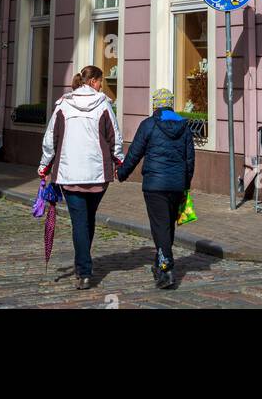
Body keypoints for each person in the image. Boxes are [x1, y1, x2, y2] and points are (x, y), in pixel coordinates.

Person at [38, 65, 123, 290]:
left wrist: (44, 165)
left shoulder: (63, 105)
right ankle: (83, 265)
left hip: (69, 173)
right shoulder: (103, 104)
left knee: (80, 222)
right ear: (94, 81)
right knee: (88, 219)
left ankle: (84, 270)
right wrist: (119, 161)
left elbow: (50, 138)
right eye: (100, 81)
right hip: (97, 174)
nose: (101, 85)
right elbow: (114, 137)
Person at [117, 88, 195, 291]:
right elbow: (190, 160)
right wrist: (185, 184)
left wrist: (122, 173)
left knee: (160, 227)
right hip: (176, 185)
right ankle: (159, 264)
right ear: (171, 104)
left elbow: (135, 152)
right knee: (167, 226)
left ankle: (166, 268)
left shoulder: (148, 124)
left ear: (155, 105)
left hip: (155, 186)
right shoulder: (184, 126)